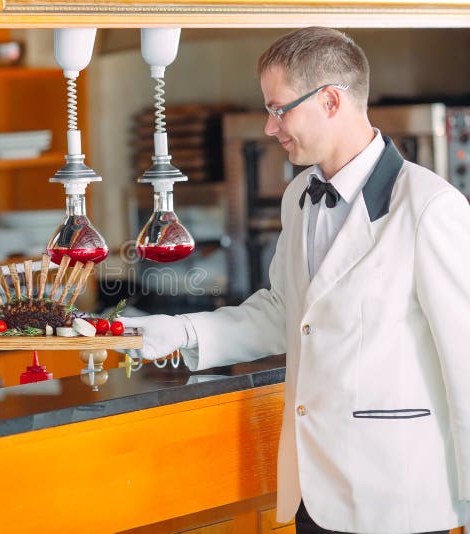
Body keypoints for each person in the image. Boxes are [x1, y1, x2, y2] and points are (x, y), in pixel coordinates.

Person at [122, 27, 470, 533]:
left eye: (279, 108)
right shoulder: (300, 196)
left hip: (399, 503)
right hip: (314, 494)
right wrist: (179, 333)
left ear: (331, 100)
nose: (269, 127)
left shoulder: (431, 207)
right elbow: (286, 310)